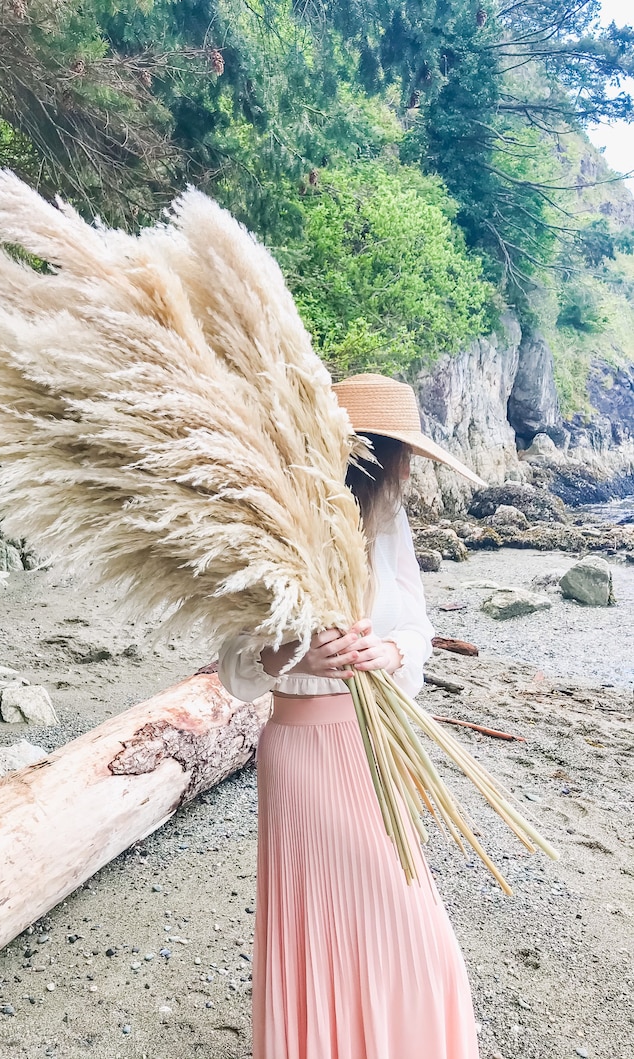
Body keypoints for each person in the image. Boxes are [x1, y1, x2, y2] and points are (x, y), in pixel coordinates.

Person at [218, 373, 487, 1059]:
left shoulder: (390, 517)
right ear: (371, 452)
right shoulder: (278, 524)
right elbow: (233, 667)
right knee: (351, 928)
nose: (401, 469)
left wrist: (387, 647)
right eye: (396, 453)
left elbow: (419, 629)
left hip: (382, 747)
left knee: (420, 939)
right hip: (305, 754)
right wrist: (302, 654)